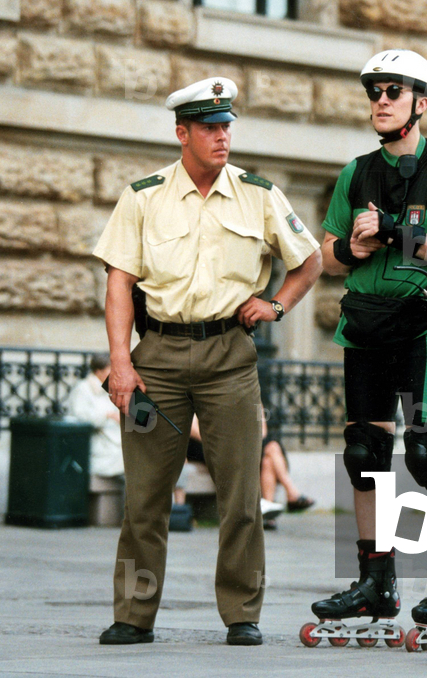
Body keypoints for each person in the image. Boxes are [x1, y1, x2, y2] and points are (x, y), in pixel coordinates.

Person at [92, 76, 321, 647]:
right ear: (182, 133)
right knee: (145, 497)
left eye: (226, 128)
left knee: (241, 494)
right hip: (159, 358)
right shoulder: (143, 196)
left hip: (230, 357)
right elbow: (119, 283)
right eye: (210, 129)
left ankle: (242, 614)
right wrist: (121, 362)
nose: (222, 138)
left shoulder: (258, 193)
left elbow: (310, 259)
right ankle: (133, 615)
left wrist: (275, 304)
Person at [307, 50, 427, 646]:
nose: (380, 100)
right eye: (374, 91)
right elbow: (323, 256)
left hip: (423, 328)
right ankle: (375, 581)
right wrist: (352, 249)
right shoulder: (356, 172)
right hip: (365, 327)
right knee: (364, 455)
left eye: (393, 91)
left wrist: (395, 233)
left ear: (421, 103)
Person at [66, 352, 123, 479]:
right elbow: (80, 418)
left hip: (115, 445)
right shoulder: (83, 388)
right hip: (100, 450)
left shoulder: (112, 387)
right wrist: (108, 415)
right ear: (99, 371)